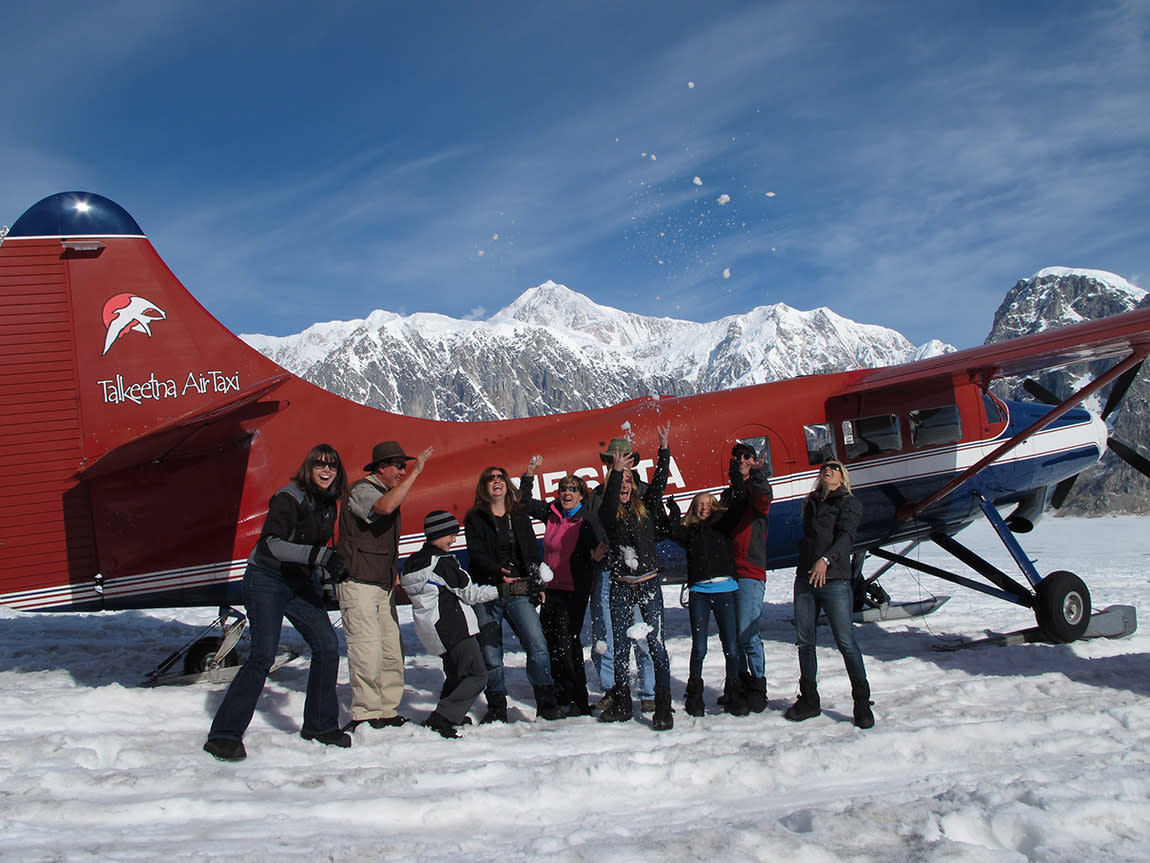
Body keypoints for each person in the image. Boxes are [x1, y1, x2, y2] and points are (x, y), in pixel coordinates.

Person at [204, 444, 350, 761]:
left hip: (300, 581)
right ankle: (223, 736)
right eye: (320, 464)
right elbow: (271, 545)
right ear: (309, 467)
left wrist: (327, 577)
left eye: (332, 465)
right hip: (266, 578)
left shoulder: (328, 504)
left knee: (327, 645)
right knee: (262, 655)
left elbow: (316, 549)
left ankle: (320, 726)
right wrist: (320, 556)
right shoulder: (289, 497)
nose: (326, 470)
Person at [338, 440, 433, 733]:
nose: (402, 471)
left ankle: (387, 709)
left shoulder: (383, 489)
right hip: (359, 584)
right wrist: (416, 473)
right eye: (398, 466)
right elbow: (386, 507)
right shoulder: (362, 490)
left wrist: (393, 574)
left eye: (405, 466)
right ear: (381, 468)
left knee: (392, 649)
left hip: (381, 584)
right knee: (366, 649)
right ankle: (365, 713)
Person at [464, 466, 563, 722]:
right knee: (491, 653)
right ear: (484, 487)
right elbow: (476, 554)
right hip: (488, 591)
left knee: (537, 644)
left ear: (507, 484)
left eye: (501, 477)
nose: (496, 481)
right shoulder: (475, 517)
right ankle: (497, 706)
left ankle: (546, 700)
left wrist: (536, 583)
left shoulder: (518, 515)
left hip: (519, 590)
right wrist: (497, 571)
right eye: (491, 478)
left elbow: (530, 551)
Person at [784, 459, 874, 728]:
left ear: (842, 477)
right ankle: (809, 699)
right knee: (805, 641)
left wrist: (825, 560)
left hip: (833, 579)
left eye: (834, 467)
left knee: (846, 641)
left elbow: (846, 538)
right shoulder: (811, 503)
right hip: (805, 578)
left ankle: (861, 703)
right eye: (825, 466)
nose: (828, 469)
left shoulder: (849, 503)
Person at [597, 424, 674, 731]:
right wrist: (617, 472)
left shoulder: (647, 507)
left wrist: (664, 449)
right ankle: (622, 703)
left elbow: (659, 482)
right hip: (621, 587)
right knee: (620, 647)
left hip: (648, 585)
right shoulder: (607, 513)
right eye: (620, 481)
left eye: (629, 480)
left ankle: (663, 706)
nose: (624, 485)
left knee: (656, 644)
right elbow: (610, 500)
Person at [400, 510, 499, 738]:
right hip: (454, 627)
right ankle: (442, 718)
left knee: (456, 675)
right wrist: (506, 590)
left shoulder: (412, 563)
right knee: (476, 675)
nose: (454, 539)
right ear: (438, 533)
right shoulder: (443, 563)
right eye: (451, 535)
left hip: (432, 629)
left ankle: (450, 714)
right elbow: (470, 594)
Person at [520, 461, 608, 716]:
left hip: (574, 590)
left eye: (572, 489)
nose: (567, 493)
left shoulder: (587, 520)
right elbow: (524, 503)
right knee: (550, 642)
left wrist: (594, 558)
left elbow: (601, 550)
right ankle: (560, 694)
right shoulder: (552, 512)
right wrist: (529, 475)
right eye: (563, 489)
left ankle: (578, 699)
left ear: (581, 495)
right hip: (551, 589)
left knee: (567, 643)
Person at [664, 491, 749, 717]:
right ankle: (694, 696)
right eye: (699, 505)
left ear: (715, 507)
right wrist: (674, 511)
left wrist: (736, 482)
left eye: (708, 504)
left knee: (731, 646)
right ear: (694, 508)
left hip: (725, 591)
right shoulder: (690, 532)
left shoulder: (724, 526)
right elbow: (673, 531)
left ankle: (734, 693)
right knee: (699, 647)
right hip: (699, 594)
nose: (703, 508)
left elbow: (738, 509)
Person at [588, 439, 657, 715]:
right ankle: (612, 689)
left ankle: (649, 691)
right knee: (606, 634)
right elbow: (588, 527)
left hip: (636, 574)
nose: (616, 463)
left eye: (624, 458)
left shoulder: (644, 492)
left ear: (633, 462)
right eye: (611, 459)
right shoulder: (596, 495)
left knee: (642, 632)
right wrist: (592, 552)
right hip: (607, 572)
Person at [720, 442, 774, 713]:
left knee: (747, 633)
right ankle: (739, 683)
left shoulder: (756, 490)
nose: (741, 460)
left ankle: (758, 686)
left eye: (746, 456)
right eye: (737, 457)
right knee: (732, 635)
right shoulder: (728, 495)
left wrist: (759, 474)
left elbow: (763, 500)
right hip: (727, 573)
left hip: (749, 571)